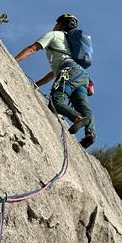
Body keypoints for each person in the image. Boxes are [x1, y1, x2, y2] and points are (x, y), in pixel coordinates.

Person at [14, 14, 96, 148]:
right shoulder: (70, 42)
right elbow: (54, 74)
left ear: (59, 24)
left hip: (69, 70)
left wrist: (13, 61)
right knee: (83, 106)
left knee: (55, 101)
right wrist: (36, 85)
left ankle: (76, 118)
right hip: (82, 76)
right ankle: (90, 134)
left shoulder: (53, 35)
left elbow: (32, 48)